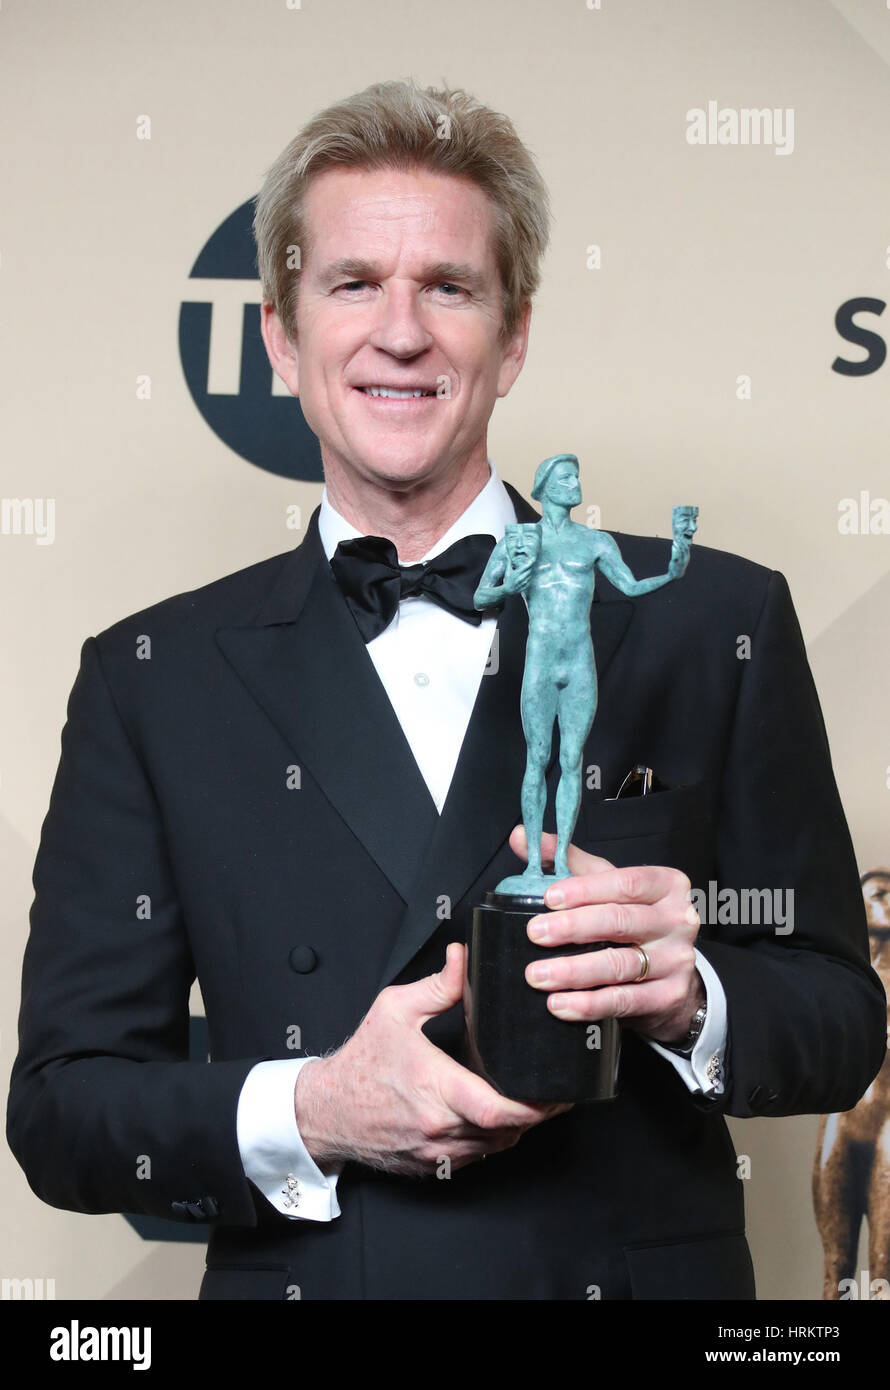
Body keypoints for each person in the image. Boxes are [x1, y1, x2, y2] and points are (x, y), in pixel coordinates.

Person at [7, 79, 885, 1301]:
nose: (400, 333)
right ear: (278, 333)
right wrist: (316, 1107)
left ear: (512, 334)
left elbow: (843, 1025)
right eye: (353, 284)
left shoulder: (709, 625)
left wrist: (687, 999)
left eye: (449, 288)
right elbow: (63, 1109)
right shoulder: (148, 680)